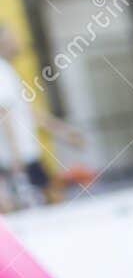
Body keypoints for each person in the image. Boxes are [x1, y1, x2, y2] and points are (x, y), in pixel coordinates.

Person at [0, 23, 84, 209]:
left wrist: (63, 132)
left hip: (24, 156)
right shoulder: (1, 72)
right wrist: (16, 161)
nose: (17, 41)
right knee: (42, 203)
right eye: (11, 38)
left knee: (48, 202)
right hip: (18, 159)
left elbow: (30, 114)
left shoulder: (9, 71)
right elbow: (4, 114)